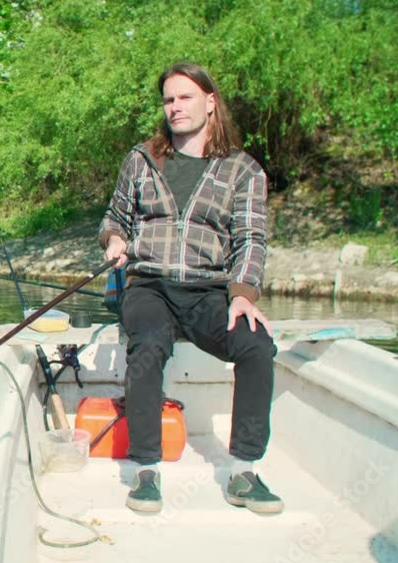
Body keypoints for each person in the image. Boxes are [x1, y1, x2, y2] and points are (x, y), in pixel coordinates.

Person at [98, 61, 284, 514]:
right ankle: (146, 472)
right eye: (168, 99)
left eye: (184, 97)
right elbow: (116, 217)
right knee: (147, 343)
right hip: (149, 284)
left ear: (210, 102)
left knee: (257, 345)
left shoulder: (242, 170)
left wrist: (242, 293)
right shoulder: (141, 159)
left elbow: (251, 239)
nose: (175, 107)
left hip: (209, 292)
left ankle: (244, 470)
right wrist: (116, 239)